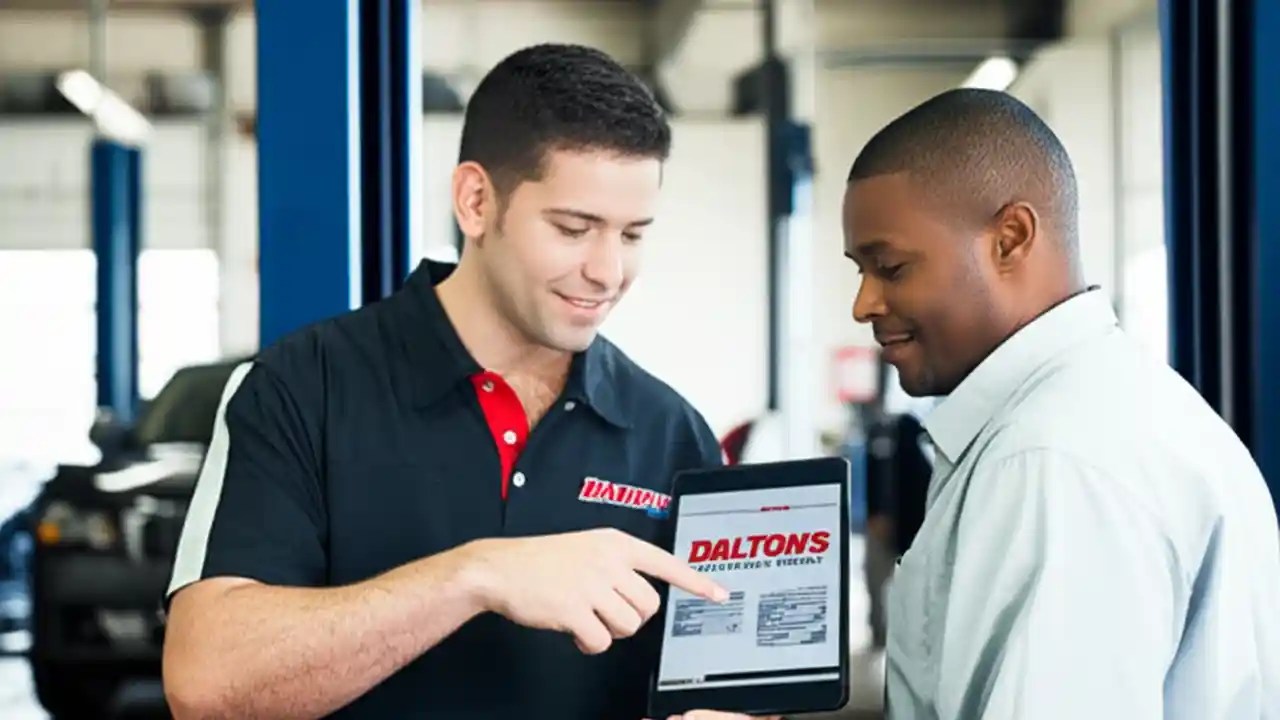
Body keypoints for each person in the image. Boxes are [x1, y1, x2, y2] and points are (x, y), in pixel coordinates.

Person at [162, 43, 777, 720]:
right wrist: (476, 575)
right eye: (575, 228)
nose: (608, 271)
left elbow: (728, 683)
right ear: (477, 201)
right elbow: (206, 683)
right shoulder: (300, 389)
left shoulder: (671, 432)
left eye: (632, 235)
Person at [842, 88, 1280, 719]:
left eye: (891, 267)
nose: (864, 304)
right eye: (860, 269)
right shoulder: (1115, 406)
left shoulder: (1053, 459)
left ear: (1010, 238)